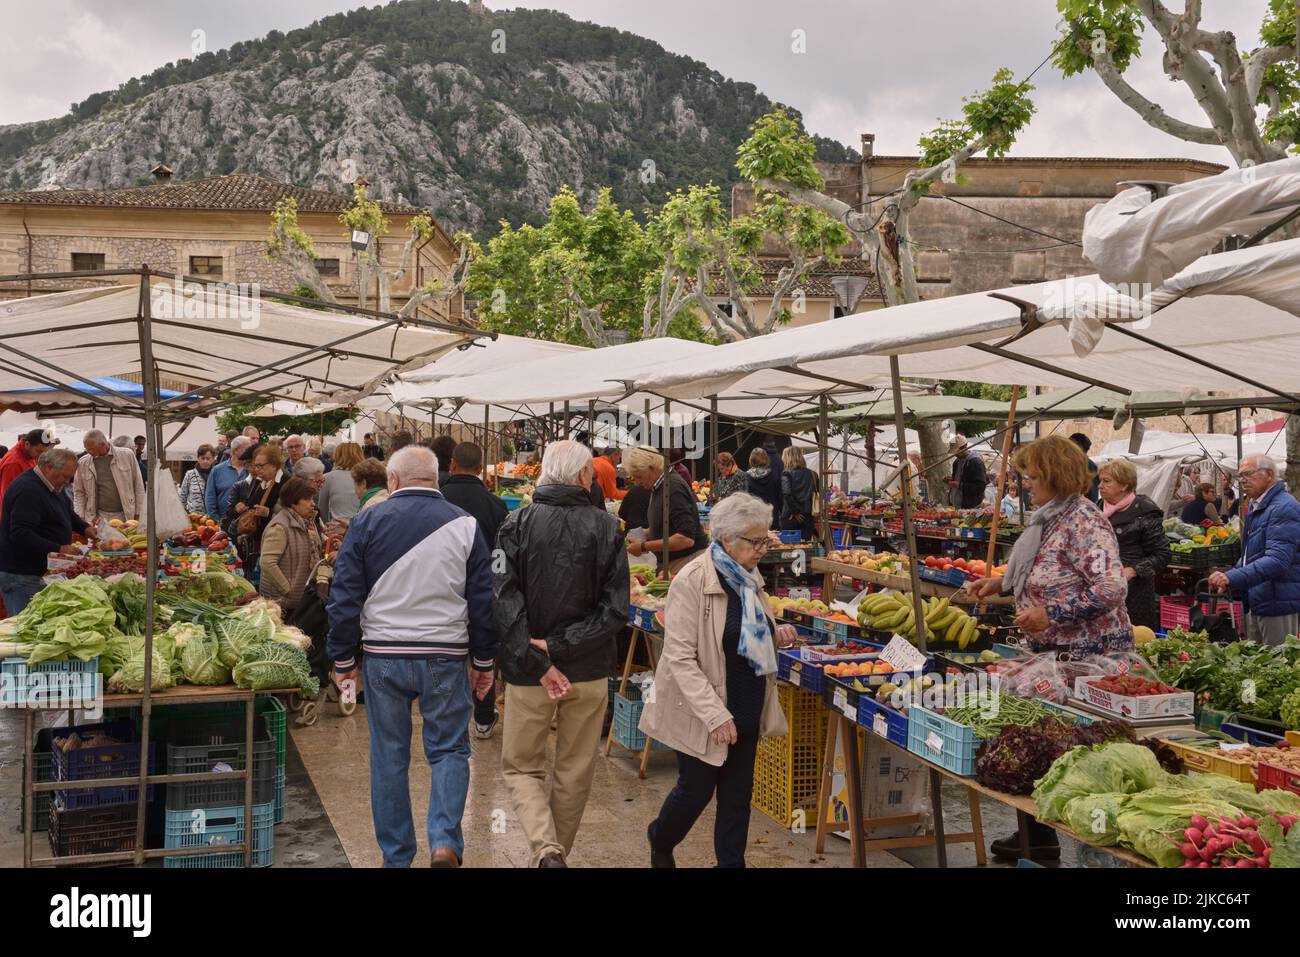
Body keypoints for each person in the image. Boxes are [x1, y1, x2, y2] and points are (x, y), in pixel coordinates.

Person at [327, 446, 497, 868]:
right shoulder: (465, 525)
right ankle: (443, 843)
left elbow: (344, 594)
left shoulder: (367, 520)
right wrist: (484, 661)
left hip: (383, 655)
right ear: (436, 479)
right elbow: (482, 599)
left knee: (389, 755)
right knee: (450, 750)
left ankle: (397, 856)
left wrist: (342, 658)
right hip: (445, 654)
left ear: (393, 480)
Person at [968, 435, 1131, 863]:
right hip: (1054, 656)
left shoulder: (1085, 523)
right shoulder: (1050, 518)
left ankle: (1067, 841)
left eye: (1031, 476)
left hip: (1089, 659)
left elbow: (1111, 588)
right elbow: (1044, 572)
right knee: (1038, 742)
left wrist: (1051, 613)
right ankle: (1035, 837)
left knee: (1067, 747)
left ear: (1055, 475)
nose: (1024, 484)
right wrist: (1001, 586)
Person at [641, 493, 797, 868]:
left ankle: (731, 864)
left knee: (737, 796)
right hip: (702, 708)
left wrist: (774, 635)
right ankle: (660, 837)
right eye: (755, 541)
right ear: (726, 539)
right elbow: (679, 657)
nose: (763, 549)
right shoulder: (692, 581)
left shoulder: (749, 577)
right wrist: (715, 714)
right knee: (695, 791)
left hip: (745, 700)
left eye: (765, 540)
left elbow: (740, 635)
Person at [493, 440, 629, 868]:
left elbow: (499, 596)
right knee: (574, 769)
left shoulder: (513, 525)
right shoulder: (609, 528)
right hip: (587, 671)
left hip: (528, 672)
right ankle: (555, 853)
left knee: (521, 767)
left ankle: (545, 847)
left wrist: (542, 655)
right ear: (585, 477)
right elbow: (617, 609)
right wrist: (559, 647)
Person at [439, 441, 509, 739]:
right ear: (481, 469)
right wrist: (497, 581)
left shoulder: (438, 499)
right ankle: (482, 716)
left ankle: (447, 710)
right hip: (483, 588)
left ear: (452, 463)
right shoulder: (496, 505)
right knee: (483, 650)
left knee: (447, 652)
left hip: (443, 586)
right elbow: (501, 553)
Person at [1208, 454, 1300, 646]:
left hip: (1278, 602)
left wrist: (1233, 577)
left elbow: (1277, 560)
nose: (1242, 481)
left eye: (1248, 474)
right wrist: (1230, 574)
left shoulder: (1283, 507)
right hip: (1259, 598)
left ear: (1268, 474)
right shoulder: (1258, 506)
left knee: (1277, 666)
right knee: (1257, 665)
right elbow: (1250, 555)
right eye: (1240, 476)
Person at [0, 449, 92, 615]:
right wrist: (59, 548)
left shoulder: (50, 485)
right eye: (65, 476)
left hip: (37, 571)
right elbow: (20, 533)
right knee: (25, 624)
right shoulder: (29, 490)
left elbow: (65, 512)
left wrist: (85, 528)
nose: (67, 481)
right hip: (22, 574)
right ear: (49, 467)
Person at [1098, 460, 1171, 630]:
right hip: (1102, 589)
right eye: (1100, 480)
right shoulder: (1097, 508)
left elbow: (1162, 554)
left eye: (1106, 481)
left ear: (1124, 485)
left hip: (1134, 593)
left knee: (1135, 642)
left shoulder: (1145, 511)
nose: (1100, 485)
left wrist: (1133, 570)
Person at [625, 447, 708, 573]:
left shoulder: (673, 488)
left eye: (638, 476)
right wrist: (643, 533)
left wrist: (643, 546)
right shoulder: (659, 486)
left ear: (651, 468)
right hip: (674, 564)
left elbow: (686, 539)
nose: (637, 482)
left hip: (686, 564)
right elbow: (667, 525)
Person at [258, 477, 323, 615]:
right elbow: (267, 563)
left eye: (313, 499)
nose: (313, 504)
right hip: (281, 605)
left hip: (298, 601)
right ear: (293, 502)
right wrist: (288, 590)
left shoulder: (306, 523)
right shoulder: (280, 527)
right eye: (308, 499)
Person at [226, 444, 284, 571]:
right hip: (257, 543)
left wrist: (268, 512)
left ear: (274, 465)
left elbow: (289, 515)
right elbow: (252, 505)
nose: (256, 469)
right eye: (255, 465)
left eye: (260, 466)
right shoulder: (260, 481)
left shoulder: (285, 483)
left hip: (274, 546)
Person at [69, 429, 145, 525]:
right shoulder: (83, 462)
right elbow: (79, 492)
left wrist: (138, 514)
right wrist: (80, 516)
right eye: (86, 449)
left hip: (125, 515)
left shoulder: (127, 455)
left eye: (91, 449)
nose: (88, 452)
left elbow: (138, 486)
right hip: (97, 517)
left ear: (103, 444)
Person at [0, 429, 56, 517]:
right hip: (16, 516)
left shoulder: (30, 454)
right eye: (38, 451)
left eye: (43, 452)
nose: (40, 455)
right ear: (27, 444)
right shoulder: (13, 463)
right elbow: (8, 496)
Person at [205, 436, 252, 520]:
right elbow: (210, 499)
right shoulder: (217, 470)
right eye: (247, 449)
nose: (250, 452)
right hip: (223, 523)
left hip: (247, 525)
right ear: (235, 451)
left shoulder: (253, 471)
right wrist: (217, 521)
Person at [779, 447, 818, 541]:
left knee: (788, 549)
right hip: (808, 516)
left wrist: (795, 511)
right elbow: (817, 493)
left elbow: (787, 493)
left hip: (790, 516)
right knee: (805, 548)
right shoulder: (813, 474)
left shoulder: (786, 474)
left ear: (787, 458)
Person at [318, 442, 364, 523]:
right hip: (362, 526)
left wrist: (326, 525)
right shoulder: (367, 477)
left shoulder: (328, 477)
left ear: (337, 455)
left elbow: (322, 507)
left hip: (337, 529)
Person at [944, 436, 988, 509]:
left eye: (956, 451)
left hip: (970, 507)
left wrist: (960, 485)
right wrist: (951, 479)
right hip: (954, 505)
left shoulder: (975, 462)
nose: (955, 454)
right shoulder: (956, 462)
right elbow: (961, 479)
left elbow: (980, 486)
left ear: (964, 448)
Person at [177, 444, 217, 515]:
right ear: (198, 458)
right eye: (202, 458)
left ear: (213, 459)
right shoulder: (190, 474)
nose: (205, 461)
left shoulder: (217, 474)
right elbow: (182, 497)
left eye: (208, 458)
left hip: (213, 519)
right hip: (193, 518)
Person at [744, 447, 780, 525]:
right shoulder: (774, 475)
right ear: (766, 458)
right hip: (771, 514)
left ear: (751, 459)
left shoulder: (746, 476)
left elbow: (745, 497)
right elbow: (779, 495)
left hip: (754, 514)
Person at [1070, 433, 1100, 505]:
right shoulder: (1070, 463)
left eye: (1070, 443)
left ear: (1077, 445)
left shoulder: (1089, 465)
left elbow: (1092, 494)